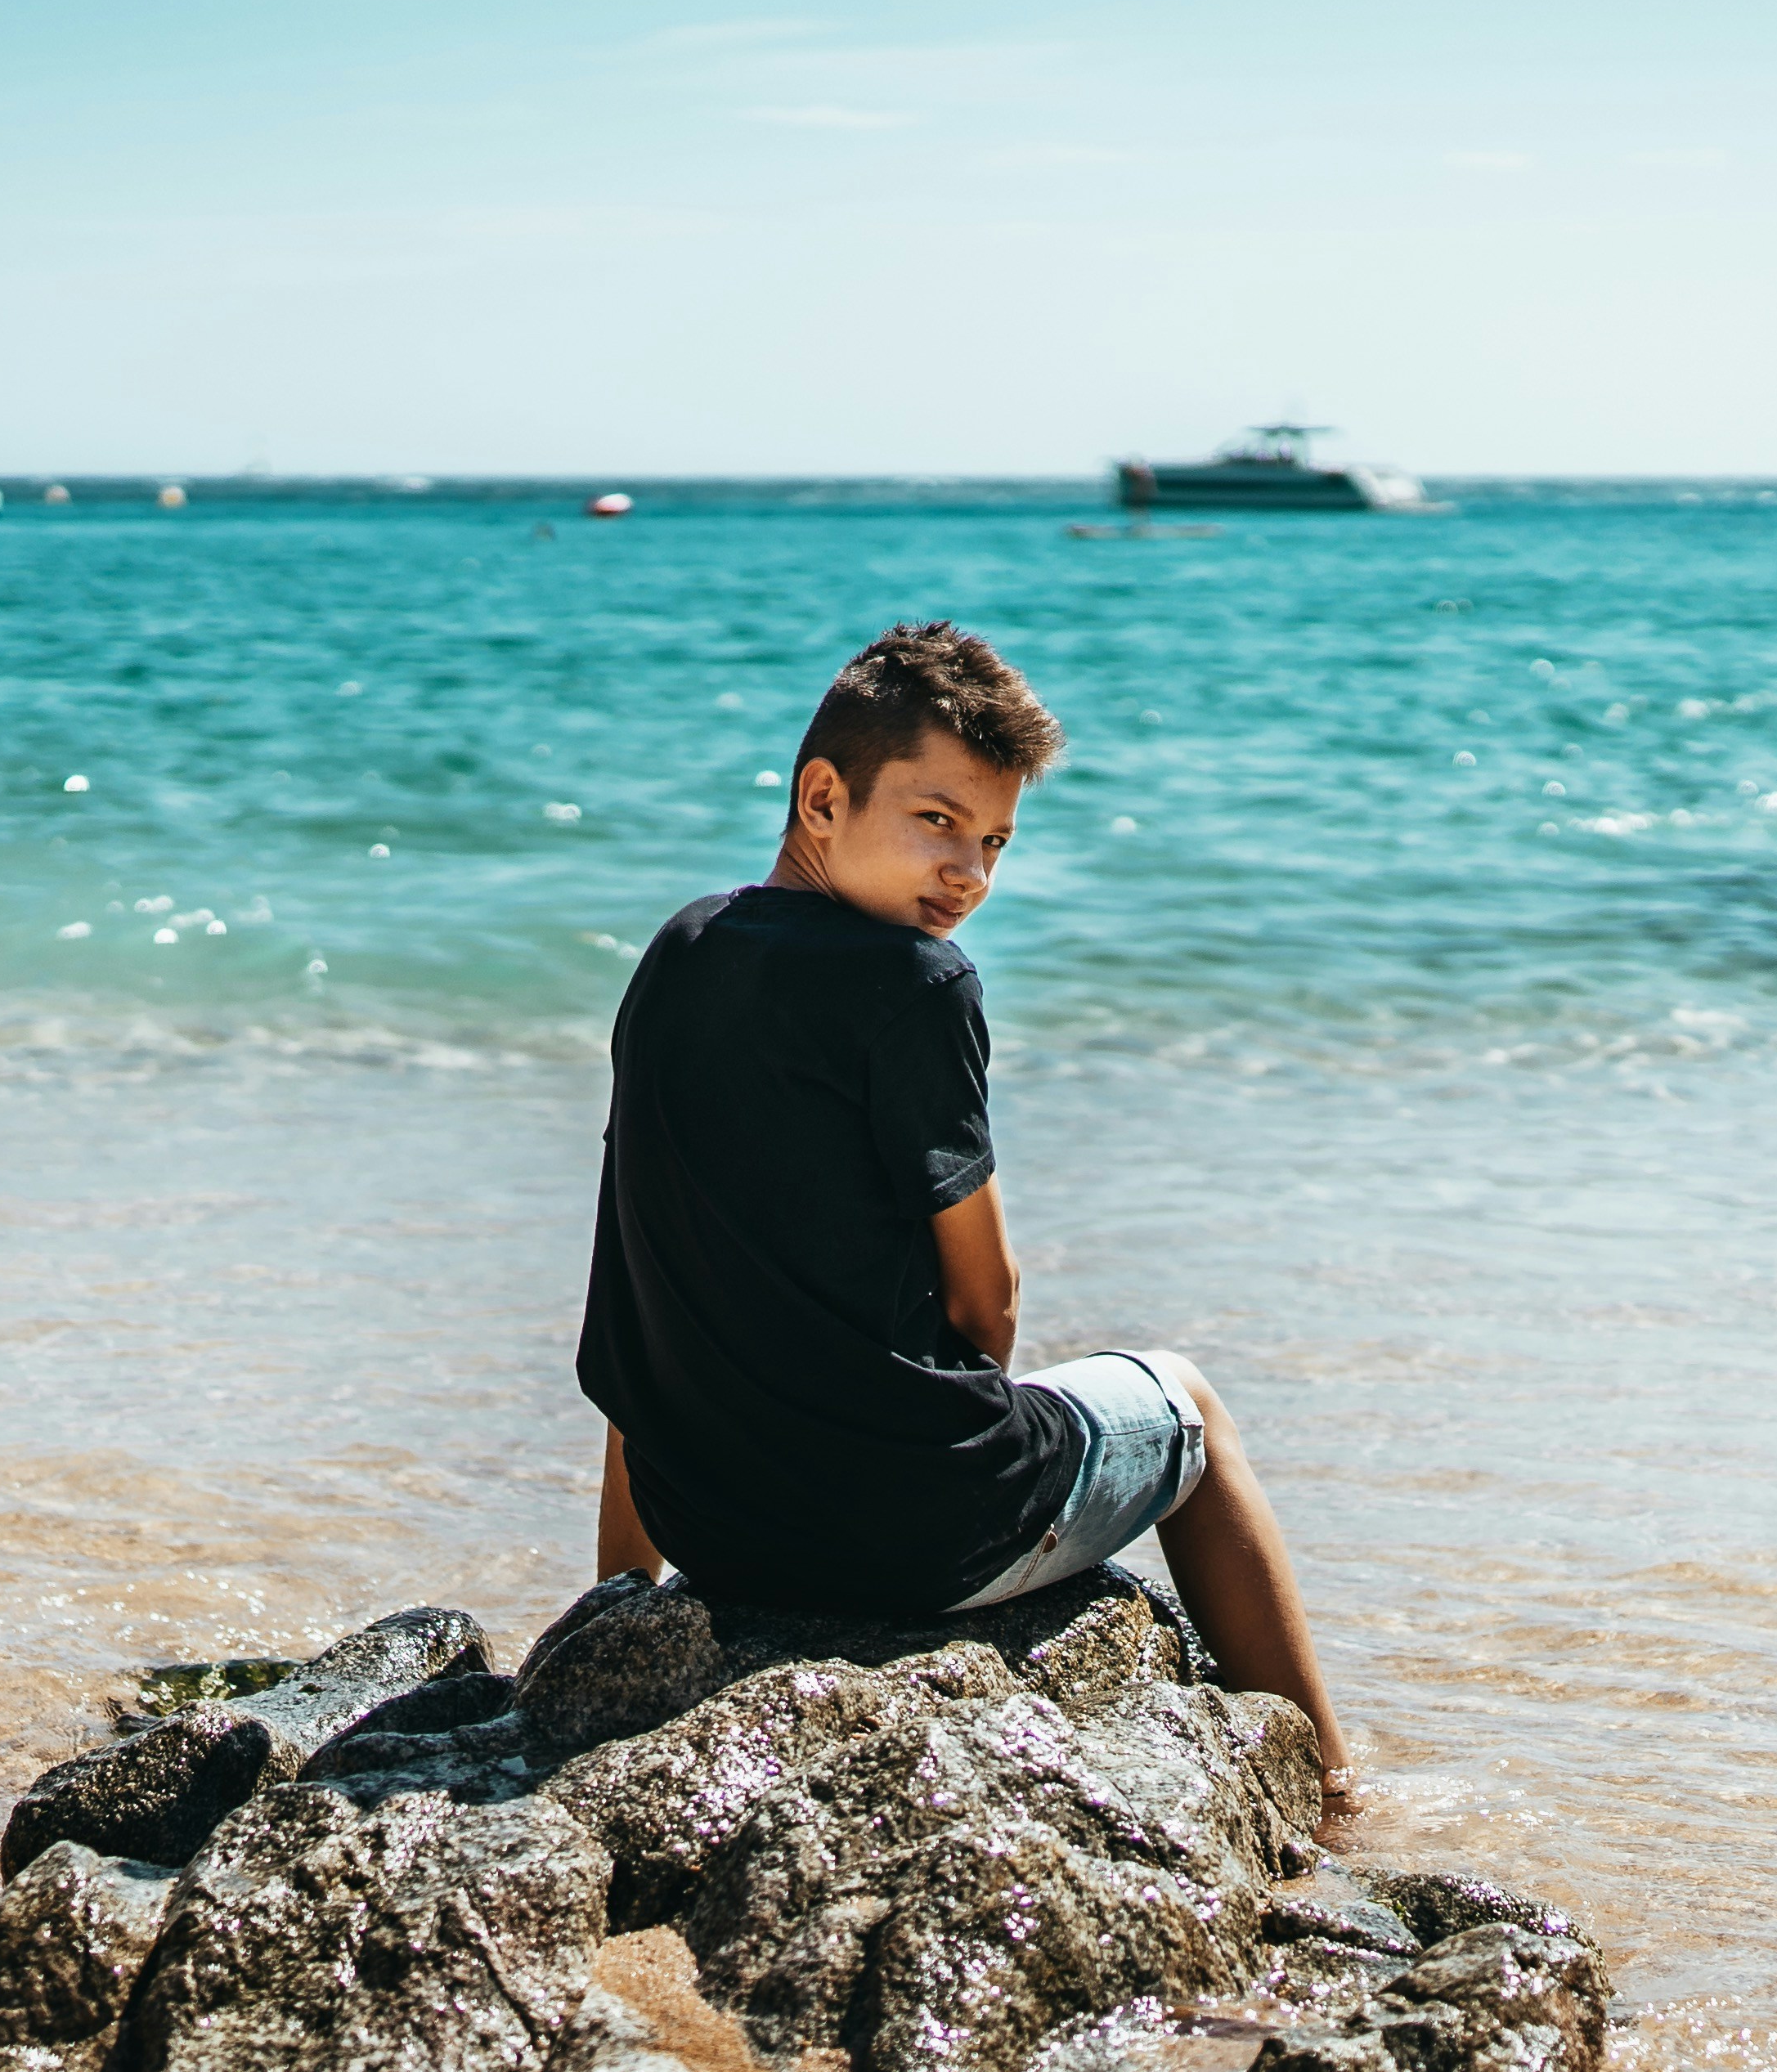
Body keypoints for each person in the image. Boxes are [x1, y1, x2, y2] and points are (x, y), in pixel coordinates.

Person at [573, 620, 1357, 1811]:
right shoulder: (916, 985)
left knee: (689, 1275)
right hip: (915, 1538)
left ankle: (616, 1602)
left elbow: (638, 1285)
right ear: (823, 796)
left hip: (718, 1533)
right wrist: (948, 1460)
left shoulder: (678, 953)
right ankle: (1333, 1788)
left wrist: (620, 1616)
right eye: (937, 821)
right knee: (1190, 1404)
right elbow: (987, 1299)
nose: (970, 875)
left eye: (994, 840)